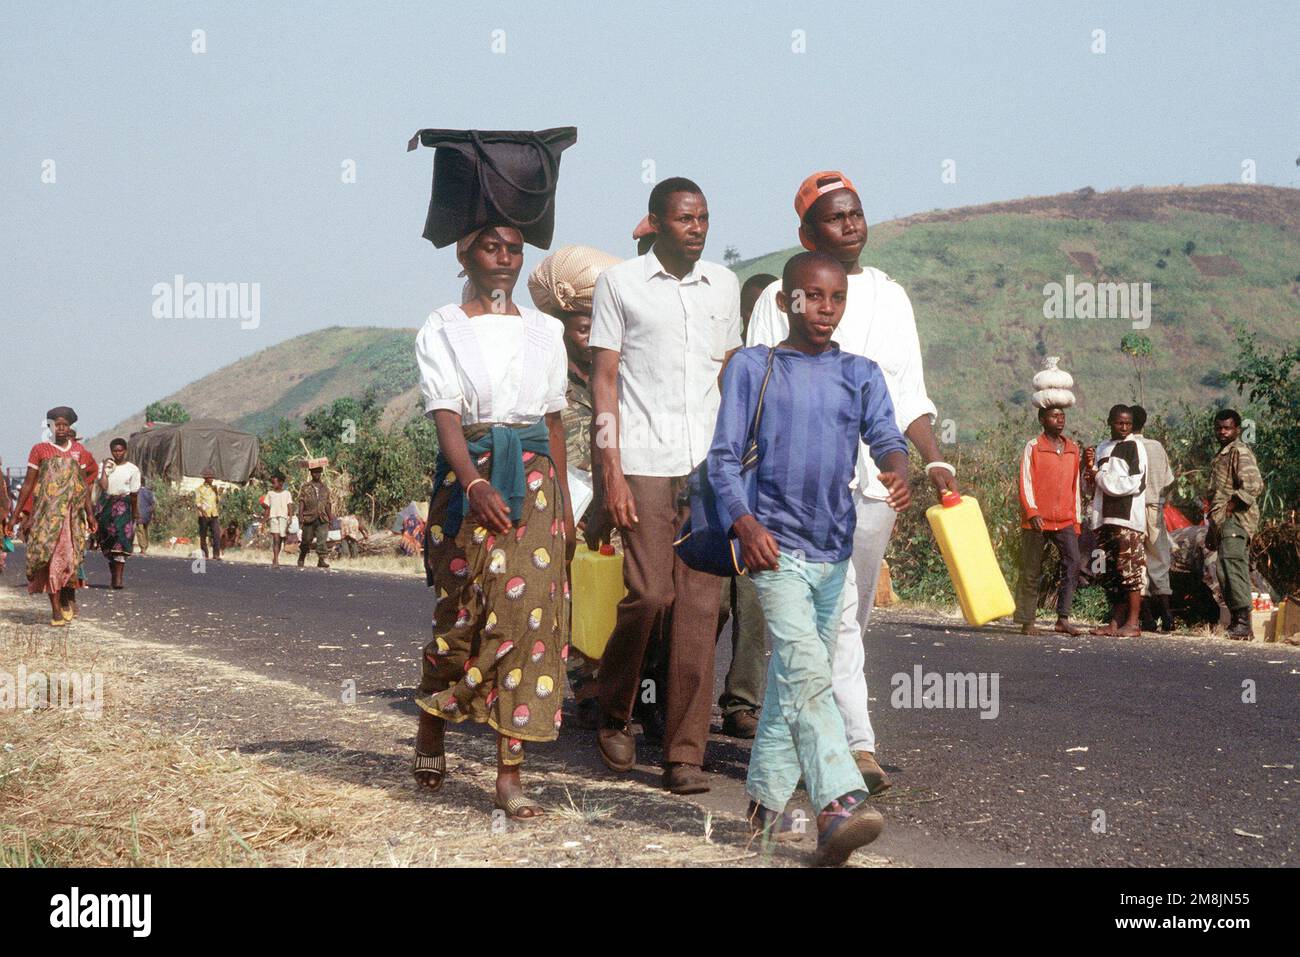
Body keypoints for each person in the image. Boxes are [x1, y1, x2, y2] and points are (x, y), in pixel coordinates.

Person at [745, 170, 956, 793]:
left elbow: (907, 395)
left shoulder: (891, 298)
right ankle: (854, 750)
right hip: (794, 495)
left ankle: (784, 770)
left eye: (856, 214)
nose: (851, 226)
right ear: (806, 233)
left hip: (873, 491)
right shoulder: (775, 301)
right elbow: (758, 391)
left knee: (845, 622)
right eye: (836, 218)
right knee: (823, 625)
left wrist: (931, 460)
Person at [711, 251, 910, 864]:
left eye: (836, 298)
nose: (825, 309)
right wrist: (744, 523)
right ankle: (838, 803)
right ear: (785, 302)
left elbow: (888, 438)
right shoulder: (752, 367)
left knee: (789, 685)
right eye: (812, 297)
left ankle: (761, 815)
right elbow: (722, 459)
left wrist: (898, 469)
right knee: (804, 669)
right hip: (774, 549)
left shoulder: (861, 372)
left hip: (834, 550)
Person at [412, 223, 574, 820]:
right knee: (461, 616)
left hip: (537, 488)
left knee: (527, 619)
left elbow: (553, 422)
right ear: (465, 254)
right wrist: (476, 483)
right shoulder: (443, 327)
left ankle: (510, 773)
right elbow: (446, 417)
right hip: (467, 480)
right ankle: (434, 715)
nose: (503, 259)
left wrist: (568, 513)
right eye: (490, 247)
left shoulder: (545, 330)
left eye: (512, 248)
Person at [588, 177, 742, 795]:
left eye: (703, 216)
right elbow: (604, 381)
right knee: (650, 597)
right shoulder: (620, 284)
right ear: (655, 223)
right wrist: (611, 473)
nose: (697, 227)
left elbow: (731, 372)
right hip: (645, 462)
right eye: (684, 218)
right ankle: (615, 711)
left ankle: (684, 753)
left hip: (708, 470)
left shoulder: (724, 286)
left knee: (702, 610)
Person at [528, 244, 621, 731]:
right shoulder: (547, 381)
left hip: (615, 503)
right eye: (582, 325)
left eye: (597, 325)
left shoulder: (618, 378)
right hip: (567, 507)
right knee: (571, 595)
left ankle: (624, 685)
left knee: (617, 591)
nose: (591, 335)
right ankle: (584, 685)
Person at [716, 270, 780, 740]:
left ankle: (741, 703)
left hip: (762, 504)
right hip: (717, 499)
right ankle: (664, 696)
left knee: (754, 607)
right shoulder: (731, 362)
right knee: (707, 606)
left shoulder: (791, 366)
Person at [1013, 367, 1085, 636]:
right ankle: (1026, 620)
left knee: (1073, 564)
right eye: (1054, 415)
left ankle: (1063, 617)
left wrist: (1076, 521)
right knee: (1031, 569)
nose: (1060, 419)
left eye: (1062, 415)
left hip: (1065, 519)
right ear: (1042, 418)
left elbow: (1075, 486)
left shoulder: (1072, 448)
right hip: (1037, 519)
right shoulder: (1033, 446)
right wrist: (1032, 511)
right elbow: (1026, 481)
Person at [12, 407, 98, 625]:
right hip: (47, 517)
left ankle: (68, 595)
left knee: (70, 559)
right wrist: (16, 515)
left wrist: (90, 514)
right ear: (50, 426)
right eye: (57, 424)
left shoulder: (78, 451)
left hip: (71, 517)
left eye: (65, 425)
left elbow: (83, 486)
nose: (61, 429)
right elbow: (29, 484)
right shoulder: (40, 450)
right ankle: (55, 609)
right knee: (49, 558)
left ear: (70, 428)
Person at [1085, 405, 1148, 637]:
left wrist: (1099, 476)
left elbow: (1134, 483)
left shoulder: (1135, 447)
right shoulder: (1102, 447)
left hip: (1126, 519)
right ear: (1109, 422)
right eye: (1119, 423)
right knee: (1111, 573)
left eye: (1128, 424)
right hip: (1103, 519)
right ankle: (1114, 622)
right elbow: (1090, 486)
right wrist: (1089, 469)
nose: (1123, 428)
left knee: (1129, 570)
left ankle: (1133, 623)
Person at [1206, 409, 1265, 640]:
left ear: (1237, 429)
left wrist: (1230, 507)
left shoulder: (1239, 451)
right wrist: (1214, 524)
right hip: (1224, 521)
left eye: (1227, 428)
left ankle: (1243, 623)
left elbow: (1254, 485)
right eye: (1219, 427)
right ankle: (1238, 623)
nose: (1222, 432)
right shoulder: (1222, 454)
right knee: (1225, 569)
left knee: (1233, 567)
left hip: (1237, 520)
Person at [1130, 405, 1176, 632]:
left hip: (1133, 510)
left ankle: (1146, 617)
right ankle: (1167, 616)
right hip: (1155, 509)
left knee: (1137, 563)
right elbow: (1169, 481)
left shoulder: (1126, 446)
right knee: (1159, 561)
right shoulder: (1156, 447)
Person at [95, 438, 141, 589]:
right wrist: (105, 471)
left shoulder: (132, 469)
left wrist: (135, 513)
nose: (118, 453)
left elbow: (134, 493)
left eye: (120, 450)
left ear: (125, 451)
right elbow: (103, 485)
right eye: (115, 451)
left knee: (121, 540)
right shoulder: (105, 466)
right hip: (107, 505)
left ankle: (119, 579)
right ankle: (113, 574)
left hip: (123, 506)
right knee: (108, 541)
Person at [296, 464, 333, 569]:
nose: (317, 474)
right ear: (311, 473)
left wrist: (330, 519)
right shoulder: (305, 487)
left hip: (322, 518)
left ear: (321, 473)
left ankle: (321, 560)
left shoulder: (325, 488)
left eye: (318, 472)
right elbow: (301, 502)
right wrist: (300, 515)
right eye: (314, 472)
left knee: (322, 539)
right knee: (306, 540)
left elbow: (327, 504)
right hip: (309, 517)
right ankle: (302, 556)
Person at [261, 474, 294, 566]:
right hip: (273, 517)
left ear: (281, 483)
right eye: (272, 483)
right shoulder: (270, 494)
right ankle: (275, 559)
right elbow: (267, 508)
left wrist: (290, 517)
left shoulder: (287, 493)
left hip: (283, 518)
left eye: (274, 483)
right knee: (276, 538)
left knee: (280, 539)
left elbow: (290, 506)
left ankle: (276, 557)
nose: (272, 485)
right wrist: (263, 521)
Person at [195, 468, 222, 560]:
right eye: (210, 478)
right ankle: (205, 554)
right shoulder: (200, 489)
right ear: (206, 478)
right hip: (204, 515)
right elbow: (197, 503)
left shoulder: (213, 489)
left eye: (212, 478)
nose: (212, 479)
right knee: (203, 535)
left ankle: (216, 554)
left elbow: (217, 501)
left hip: (214, 514)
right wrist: (203, 512)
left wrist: (217, 493)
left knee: (216, 534)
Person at [135, 483, 155, 554]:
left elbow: (136, 503)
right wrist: (152, 513)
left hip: (139, 513)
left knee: (140, 531)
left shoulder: (137, 492)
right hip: (147, 514)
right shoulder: (149, 491)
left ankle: (143, 548)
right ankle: (146, 546)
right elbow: (153, 504)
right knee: (146, 530)